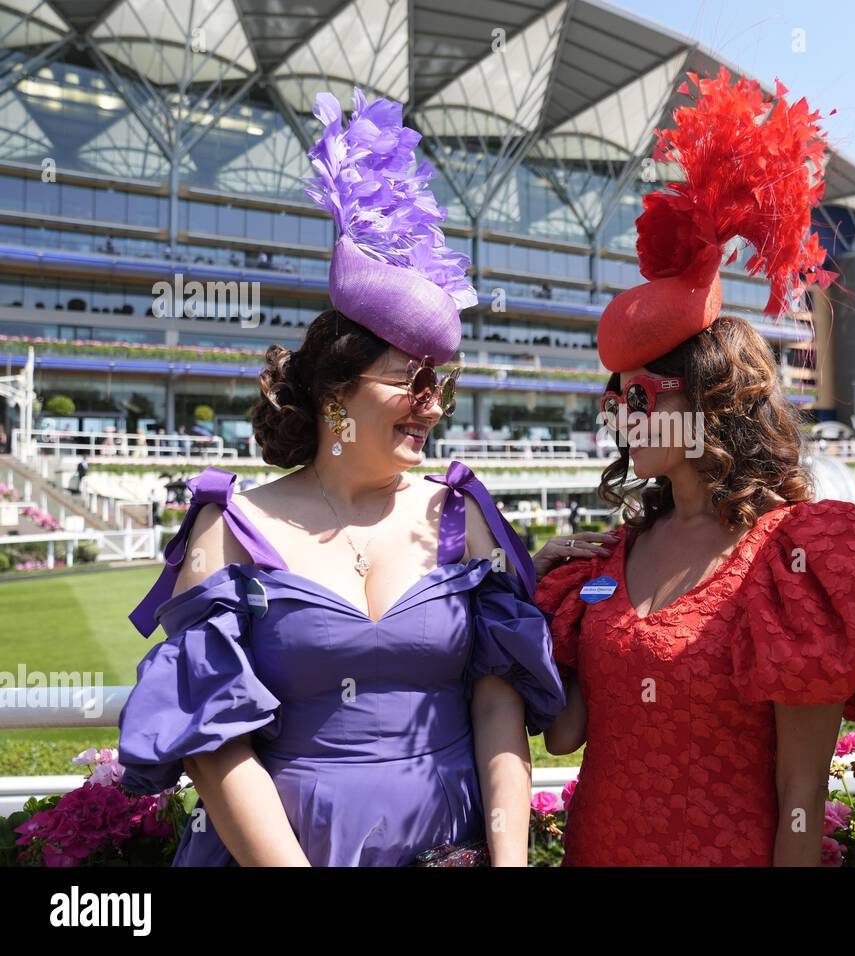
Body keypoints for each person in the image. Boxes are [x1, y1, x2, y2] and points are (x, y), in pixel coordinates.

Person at [116, 87, 564, 867]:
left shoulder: (465, 516)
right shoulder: (229, 526)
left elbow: (499, 708)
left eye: (441, 386)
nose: (432, 406)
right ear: (335, 396)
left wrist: (510, 863)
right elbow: (214, 746)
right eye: (410, 383)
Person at [531, 69, 855, 866]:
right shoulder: (607, 566)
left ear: (712, 400)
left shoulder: (793, 564)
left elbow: (802, 801)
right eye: (614, 396)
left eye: (640, 393)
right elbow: (565, 733)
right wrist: (533, 594)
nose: (621, 414)